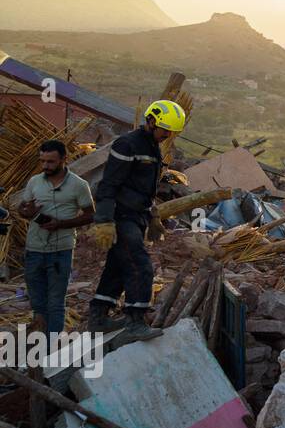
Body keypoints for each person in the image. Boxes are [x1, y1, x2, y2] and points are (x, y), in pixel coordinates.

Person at [87, 99, 187, 343]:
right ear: (151, 121)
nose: (168, 135)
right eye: (165, 129)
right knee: (139, 265)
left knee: (118, 266)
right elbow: (109, 184)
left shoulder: (152, 146)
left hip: (137, 216)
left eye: (171, 131)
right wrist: (103, 220)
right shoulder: (128, 144)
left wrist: (151, 215)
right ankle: (135, 320)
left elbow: (142, 188)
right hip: (122, 216)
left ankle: (98, 317)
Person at [16, 140, 95, 337]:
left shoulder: (79, 185)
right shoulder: (34, 182)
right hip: (34, 249)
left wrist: (59, 224)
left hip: (61, 250)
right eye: (42, 161)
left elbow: (91, 215)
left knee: (56, 302)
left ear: (63, 159)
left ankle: (52, 350)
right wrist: (26, 212)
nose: (45, 166)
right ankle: (38, 346)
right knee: (38, 302)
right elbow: (23, 208)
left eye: (50, 162)